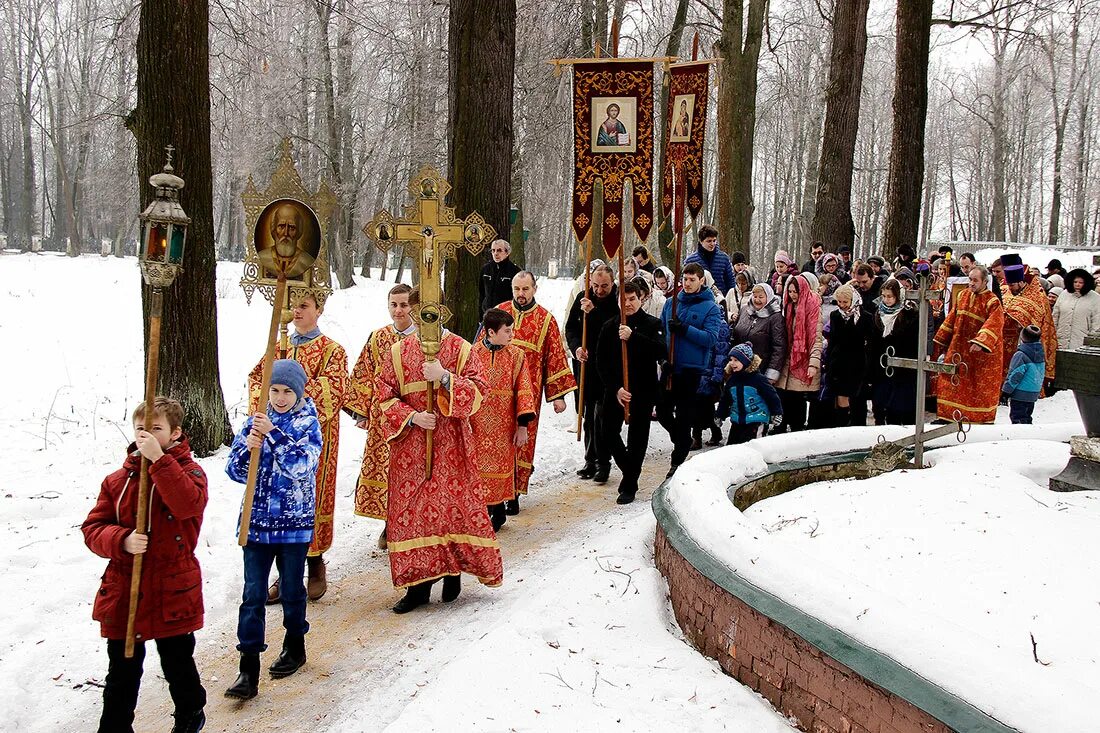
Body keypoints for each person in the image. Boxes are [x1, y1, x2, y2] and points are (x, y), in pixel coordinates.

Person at [82, 397, 208, 733]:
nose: (146, 435)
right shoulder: (116, 481)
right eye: (141, 428)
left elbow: (186, 505)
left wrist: (160, 461)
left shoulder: (192, 473)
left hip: (172, 587)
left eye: (156, 429)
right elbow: (93, 528)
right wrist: (120, 540)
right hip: (127, 589)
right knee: (122, 672)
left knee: (177, 662)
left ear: (175, 433)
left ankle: (191, 712)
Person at [375, 322, 503, 613]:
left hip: (452, 444)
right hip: (411, 448)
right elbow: (383, 394)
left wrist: (446, 378)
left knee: (450, 511)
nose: (423, 321)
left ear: (441, 313)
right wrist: (412, 417)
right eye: (418, 314)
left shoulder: (461, 349)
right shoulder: (399, 351)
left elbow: (480, 391)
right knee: (415, 514)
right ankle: (417, 587)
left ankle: (452, 571)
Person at [226, 360, 323, 699]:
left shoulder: (308, 423)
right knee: (252, 594)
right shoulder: (254, 424)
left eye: (287, 392)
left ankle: (295, 644)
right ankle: (247, 668)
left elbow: (301, 465)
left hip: (293, 524)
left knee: (292, 589)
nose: (280, 398)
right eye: (275, 391)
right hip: (255, 523)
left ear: (298, 392)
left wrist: (274, 435)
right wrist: (247, 449)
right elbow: (235, 472)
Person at [248, 294, 347, 603]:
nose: (297, 311)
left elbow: (334, 390)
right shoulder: (277, 346)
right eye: (293, 305)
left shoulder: (332, 350)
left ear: (319, 310)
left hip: (314, 437)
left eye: (304, 306)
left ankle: (315, 562)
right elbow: (256, 380)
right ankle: (286, 573)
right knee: (281, 501)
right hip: (274, 436)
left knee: (310, 496)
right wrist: (270, 400)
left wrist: (292, 397)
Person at [346, 284, 417, 549]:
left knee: (411, 469)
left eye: (404, 305)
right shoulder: (377, 337)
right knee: (386, 471)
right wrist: (361, 411)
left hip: (412, 414)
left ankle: (408, 522)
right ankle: (389, 523)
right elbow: (363, 373)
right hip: (382, 417)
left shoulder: (424, 338)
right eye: (394, 305)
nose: (399, 311)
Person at [498, 272, 576, 511]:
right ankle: (496, 492)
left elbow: (554, 358)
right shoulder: (499, 313)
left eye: (525, 289)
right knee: (498, 441)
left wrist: (558, 395)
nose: (521, 294)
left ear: (535, 288)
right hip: (498, 393)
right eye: (517, 289)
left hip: (528, 394)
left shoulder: (545, 320)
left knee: (522, 441)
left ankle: (514, 492)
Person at [596, 280, 667, 504]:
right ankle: (629, 468)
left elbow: (660, 350)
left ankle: (629, 484)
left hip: (642, 390)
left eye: (632, 299)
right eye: (623, 299)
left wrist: (633, 337)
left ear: (641, 299)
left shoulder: (652, 323)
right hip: (616, 390)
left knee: (638, 438)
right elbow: (601, 362)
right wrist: (616, 388)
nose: (627, 303)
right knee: (607, 432)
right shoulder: (609, 327)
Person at [469, 307, 537, 529]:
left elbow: (524, 390)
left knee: (500, 470)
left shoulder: (516, 356)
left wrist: (522, 425)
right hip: (477, 425)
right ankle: (483, 511)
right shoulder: (472, 354)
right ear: (490, 332)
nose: (511, 334)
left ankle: (498, 511)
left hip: (503, 425)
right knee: (478, 470)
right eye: (507, 331)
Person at [659, 262, 726, 476]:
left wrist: (685, 329)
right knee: (662, 410)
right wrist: (662, 359)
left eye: (691, 280)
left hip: (691, 369)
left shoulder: (711, 308)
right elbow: (661, 333)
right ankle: (682, 439)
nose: (687, 284)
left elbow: (711, 339)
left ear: (701, 281)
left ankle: (677, 460)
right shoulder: (671, 303)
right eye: (684, 280)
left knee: (685, 415)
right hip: (670, 367)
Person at [565, 265, 620, 483]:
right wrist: (577, 347)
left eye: (604, 286)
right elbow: (571, 328)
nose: (598, 290)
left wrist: (593, 313)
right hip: (586, 365)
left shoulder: (618, 299)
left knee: (602, 415)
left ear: (612, 282)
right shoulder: (583, 297)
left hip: (607, 366)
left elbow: (613, 327)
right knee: (587, 414)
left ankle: (603, 462)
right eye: (595, 285)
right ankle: (590, 458)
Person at [933, 265, 1004, 424]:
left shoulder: (992, 301)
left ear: (985, 281)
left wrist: (981, 341)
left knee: (976, 388)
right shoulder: (963, 295)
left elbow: (995, 323)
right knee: (950, 380)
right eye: (970, 279)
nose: (971, 283)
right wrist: (939, 340)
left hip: (981, 355)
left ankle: (976, 419)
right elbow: (952, 318)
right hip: (958, 348)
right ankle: (947, 416)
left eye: (975, 280)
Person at [1000, 253, 1057, 391]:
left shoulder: (1036, 292)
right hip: (1003, 339)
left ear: (1020, 281)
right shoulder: (1004, 287)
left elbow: (1036, 318)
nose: (1010, 287)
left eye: (1012, 285)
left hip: (1023, 341)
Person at [775, 274, 824, 432]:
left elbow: (816, 337)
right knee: (784, 394)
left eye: (795, 291)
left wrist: (813, 363)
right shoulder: (788, 306)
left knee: (798, 397)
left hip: (804, 357)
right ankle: (782, 425)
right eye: (789, 292)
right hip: (789, 356)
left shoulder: (812, 307)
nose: (792, 295)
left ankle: (797, 427)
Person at [868, 279, 920, 425]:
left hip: (902, 368)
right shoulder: (878, 314)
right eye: (883, 296)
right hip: (882, 367)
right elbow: (873, 343)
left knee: (898, 408)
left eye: (889, 296)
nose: (886, 299)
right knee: (880, 404)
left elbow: (912, 342)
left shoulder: (909, 315)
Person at [822, 284, 870, 427]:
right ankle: (842, 425)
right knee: (841, 397)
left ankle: (857, 426)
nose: (842, 305)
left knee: (857, 399)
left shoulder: (865, 318)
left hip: (857, 363)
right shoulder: (835, 316)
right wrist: (829, 361)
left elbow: (868, 343)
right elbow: (832, 341)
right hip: (839, 363)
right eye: (839, 302)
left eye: (845, 302)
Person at [721, 342, 783, 444]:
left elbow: (772, 397)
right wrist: (720, 414)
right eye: (731, 360)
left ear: (745, 362)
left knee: (753, 446)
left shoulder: (758, 379)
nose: (732, 363)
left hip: (756, 420)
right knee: (732, 447)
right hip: (738, 420)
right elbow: (725, 399)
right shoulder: (732, 380)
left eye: (736, 360)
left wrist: (777, 413)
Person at [730, 283, 786, 383]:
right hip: (738, 366)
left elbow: (779, 347)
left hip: (760, 368)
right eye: (755, 296)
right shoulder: (744, 310)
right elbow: (734, 335)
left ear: (768, 298)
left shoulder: (775, 317)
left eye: (761, 297)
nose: (757, 300)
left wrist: (772, 373)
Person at [1001, 325, 1045, 424]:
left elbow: (1015, 375)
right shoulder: (1041, 354)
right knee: (1027, 417)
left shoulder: (1021, 355)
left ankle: (1020, 437)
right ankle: (1028, 434)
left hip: (1020, 394)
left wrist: (1006, 392)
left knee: (1017, 418)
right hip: (1033, 393)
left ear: (1022, 338)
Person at [1054, 268, 1100, 350]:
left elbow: (1096, 322)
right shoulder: (1064, 294)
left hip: (1081, 341)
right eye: (1075, 282)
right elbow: (1055, 316)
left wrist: (1091, 341)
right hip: (1061, 340)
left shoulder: (1095, 298)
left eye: (1081, 282)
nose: (1077, 285)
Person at [684, 224, 736, 294]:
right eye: (709, 241)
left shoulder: (724, 258)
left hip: (721, 299)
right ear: (701, 241)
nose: (712, 244)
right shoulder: (690, 261)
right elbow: (685, 282)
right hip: (698, 299)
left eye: (714, 240)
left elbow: (731, 282)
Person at [479, 239, 521, 315]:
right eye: (493, 250)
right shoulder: (485, 270)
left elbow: (518, 297)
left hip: (506, 316)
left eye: (499, 250)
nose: (495, 253)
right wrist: (480, 315)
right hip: (487, 314)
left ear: (507, 252)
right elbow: (481, 294)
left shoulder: (515, 271)